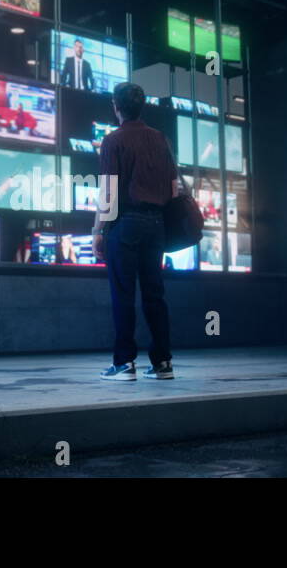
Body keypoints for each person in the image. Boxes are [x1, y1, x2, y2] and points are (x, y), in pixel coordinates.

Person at [93, 82, 178, 381]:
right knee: (155, 295)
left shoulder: (113, 141)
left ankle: (124, 364)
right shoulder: (160, 140)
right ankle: (163, 363)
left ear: (116, 107)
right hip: (156, 225)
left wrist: (97, 231)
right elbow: (173, 187)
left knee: (124, 295)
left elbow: (109, 192)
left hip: (125, 225)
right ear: (142, 107)